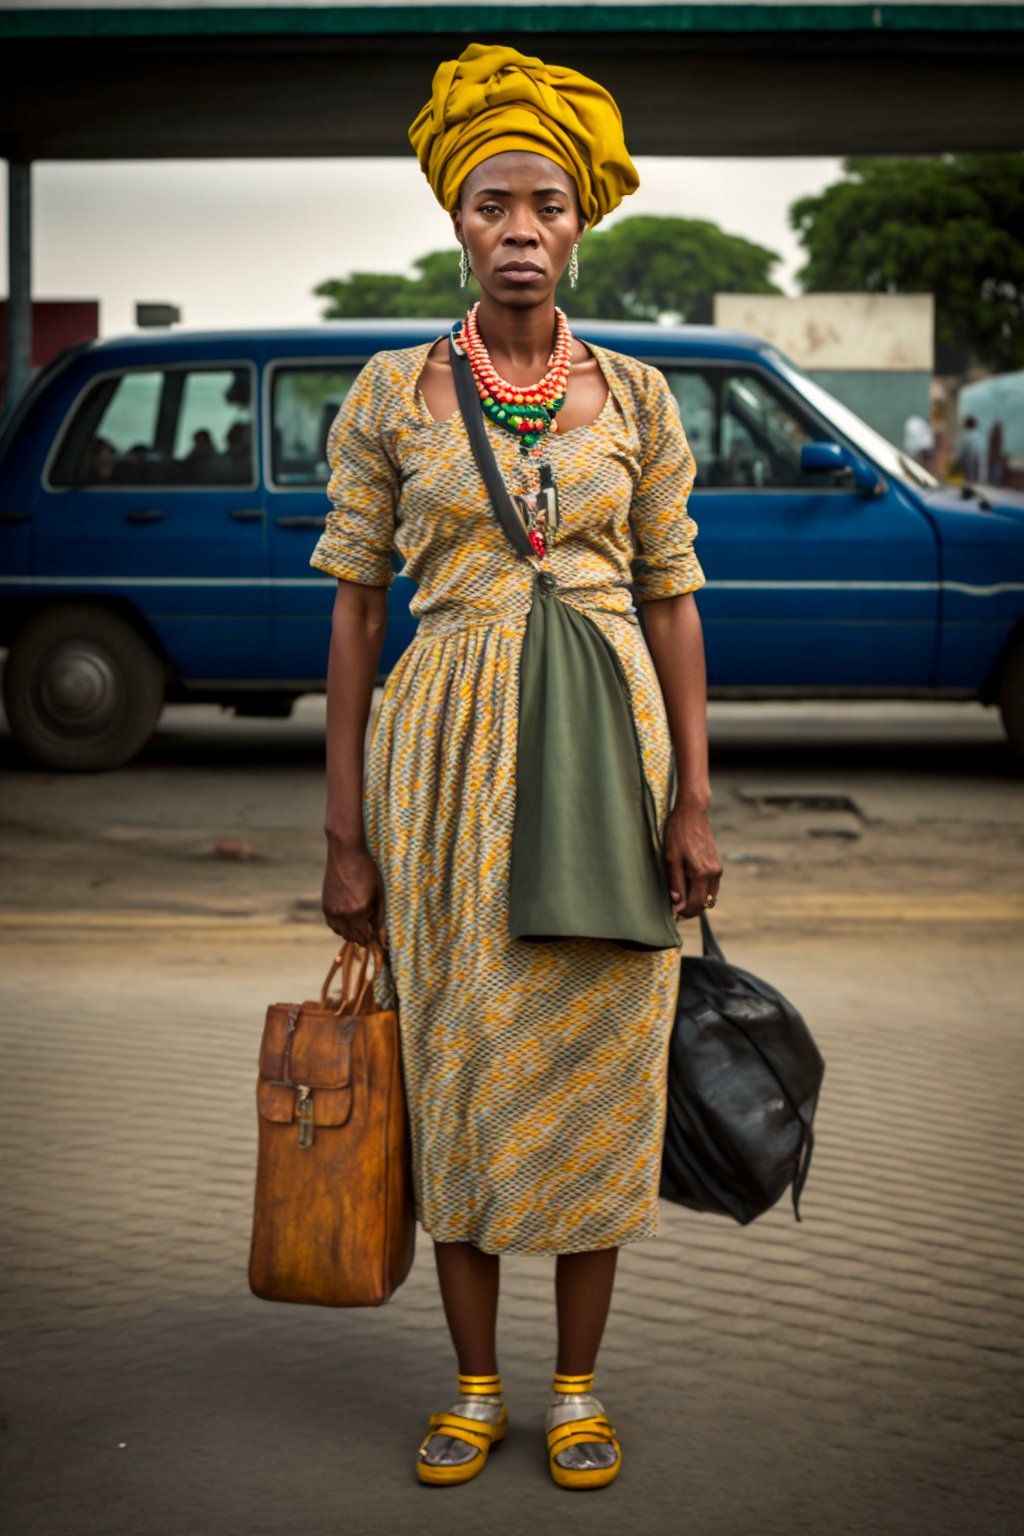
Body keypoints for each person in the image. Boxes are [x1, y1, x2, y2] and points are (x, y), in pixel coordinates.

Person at [311, 41, 721, 1491]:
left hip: (610, 767)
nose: (522, 231)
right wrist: (343, 832)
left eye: (546, 204)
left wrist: (695, 801)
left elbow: (671, 599)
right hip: (439, 775)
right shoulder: (389, 393)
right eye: (494, 205)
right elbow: (355, 615)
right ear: (458, 221)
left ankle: (578, 1390)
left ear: (580, 220)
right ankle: (477, 1388)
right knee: (460, 1076)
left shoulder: (643, 398)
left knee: (602, 1078)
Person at [957, 414, 987, 483]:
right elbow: (979, 451)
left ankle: (967, 483)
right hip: (972, 458)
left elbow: (960, 448)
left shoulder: (963, 435)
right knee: (970, 475)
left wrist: (959, 458)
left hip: (966, 458)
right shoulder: (975, 435)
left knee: (966, 476)